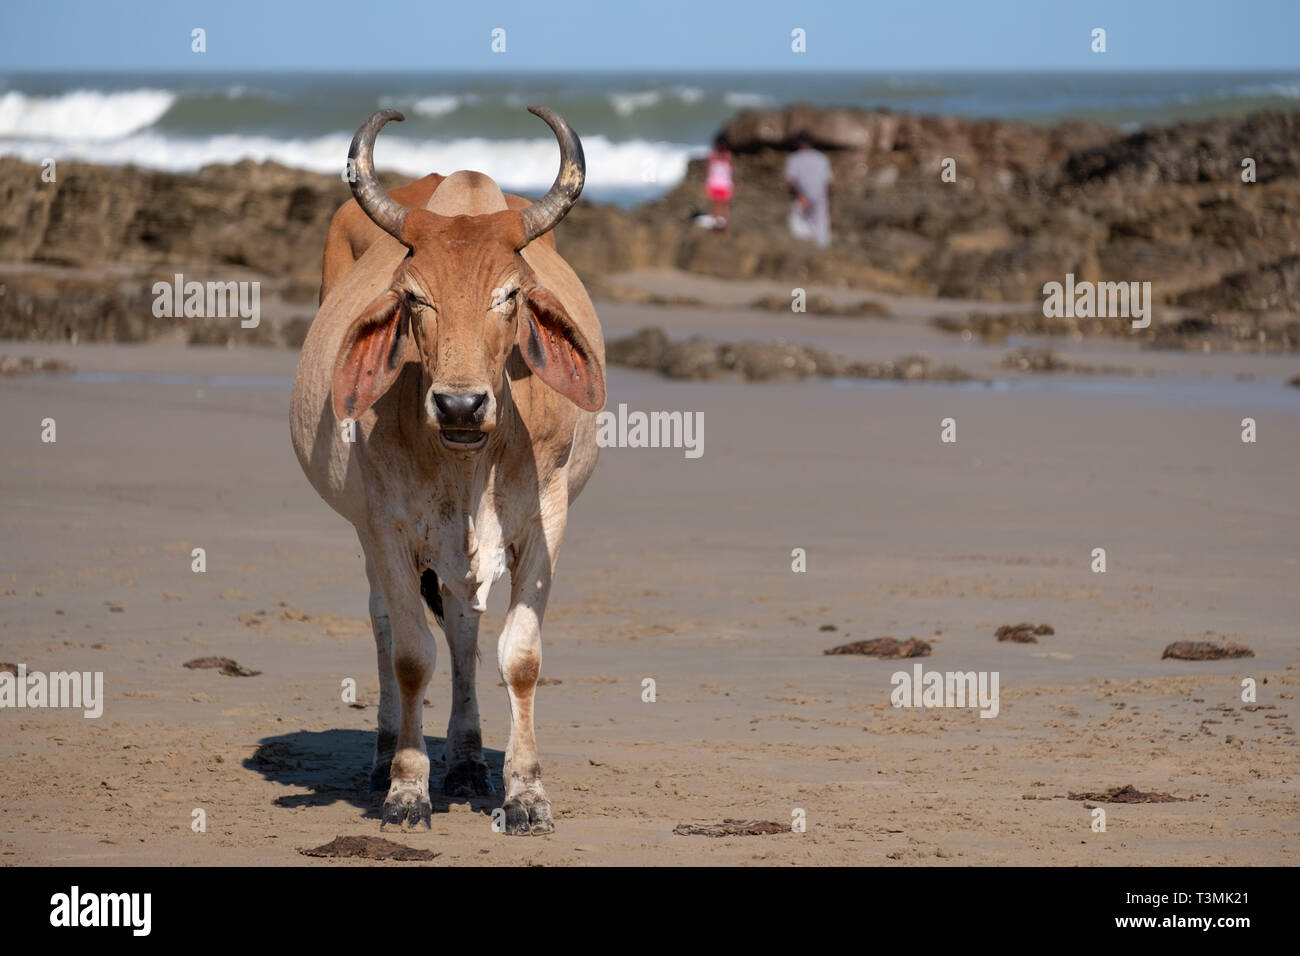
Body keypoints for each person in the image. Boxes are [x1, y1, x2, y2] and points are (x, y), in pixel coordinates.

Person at [783, 130, 832, 247]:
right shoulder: (822, 158)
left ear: (798, 143)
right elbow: (828, 183)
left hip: (802, 198)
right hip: (820, 199)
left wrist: (800, 197)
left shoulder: (794, 158)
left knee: (798, 232)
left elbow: (790, 182)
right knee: (821, 235)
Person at [704, 135, 733, 234]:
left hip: (723, 184)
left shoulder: (727, 155)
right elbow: (709, 170)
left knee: (723, 206)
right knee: (716, 206)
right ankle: (715, 227)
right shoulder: (713, 155)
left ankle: (725, 227)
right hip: (715, 184)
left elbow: (731, 171)